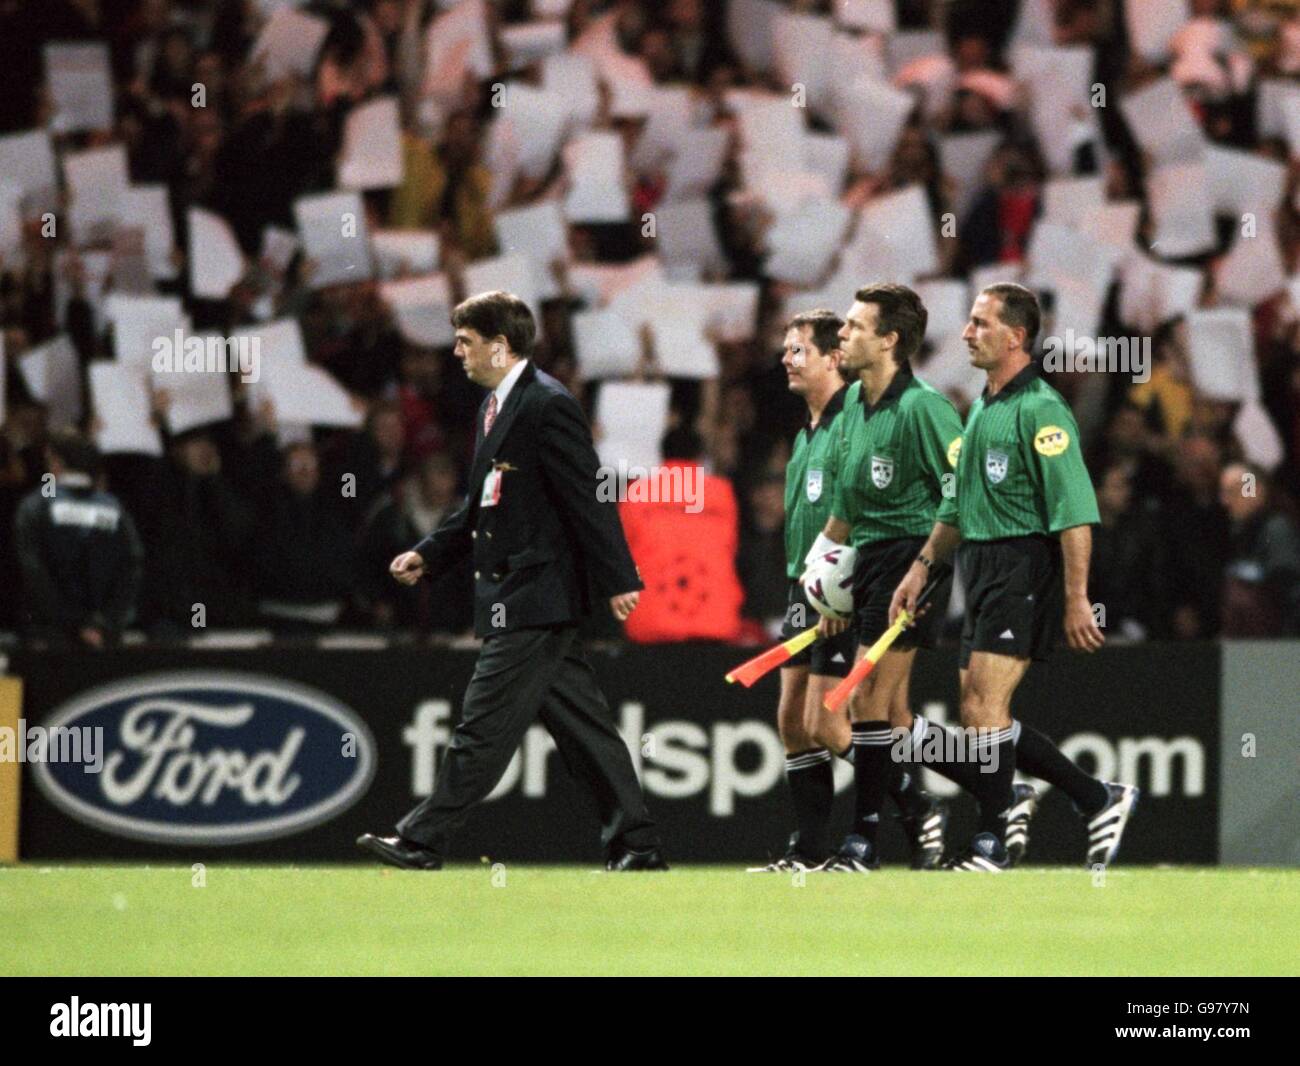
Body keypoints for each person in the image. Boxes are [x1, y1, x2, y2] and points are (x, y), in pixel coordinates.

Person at [357, 291, 664, 871]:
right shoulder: (496, 407)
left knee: (483, 723)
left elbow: (588, 493)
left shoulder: (547, 404)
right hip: (523, 595)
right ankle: (638, 845)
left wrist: (618, 575)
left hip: (535, 595)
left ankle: (423, 839)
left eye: (466, 342)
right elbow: (482, 503)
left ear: (500, 347)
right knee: (587, 734)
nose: (456, 353)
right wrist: (431, 553)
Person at [890, 283, 1138, 872]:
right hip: (978, 565)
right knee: (977, 710)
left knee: (988, 704)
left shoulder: (1042, 409)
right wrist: (922, 567)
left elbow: (1074, 511)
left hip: (1022, 563)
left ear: (1016, 336)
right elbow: (955, 507)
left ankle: (992, 841)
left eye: (980, 323)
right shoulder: (982, 408)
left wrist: (1078, 598)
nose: (968, 333)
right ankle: (1095, 797)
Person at [804, 286, 963, 872]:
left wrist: (923, 568)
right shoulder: (849, 406)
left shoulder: (926, 408)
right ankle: (989, 783)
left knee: (868, 699)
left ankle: (862, 841)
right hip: (864, 559)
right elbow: (845, 505)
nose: (841, 335)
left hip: (911, 556)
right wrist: (822, 579)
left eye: (853, 326)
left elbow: (963, 494)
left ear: (889, 339)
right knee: (891, 716)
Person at [747, 310, 858, 872]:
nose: (787, 360)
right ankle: (810, 850)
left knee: (827, 724)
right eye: (786, 350)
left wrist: (839, 587)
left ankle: (913, 799)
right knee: (793, 722)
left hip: (838, 586)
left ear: (834, 357)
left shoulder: (854, 421)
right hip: (804, 586)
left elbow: (861, 508)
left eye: (799, 351)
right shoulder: (805, 432)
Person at [14, 429, 144, 648]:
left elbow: (33, 573)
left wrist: (75, 623)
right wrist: (103, 622)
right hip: (104, 639)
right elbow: (132, 569)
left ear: (54, 461)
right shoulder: (115, 509)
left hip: (51, 638)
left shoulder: (36, 507)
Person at [1218, 461, 1300, 636]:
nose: (1225, 501)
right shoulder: (1240, 532)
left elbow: (1286, 590)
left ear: (1255, 491)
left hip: (1275, 646)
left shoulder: (1276, 529)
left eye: (1232, 492)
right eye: (1223, 492)